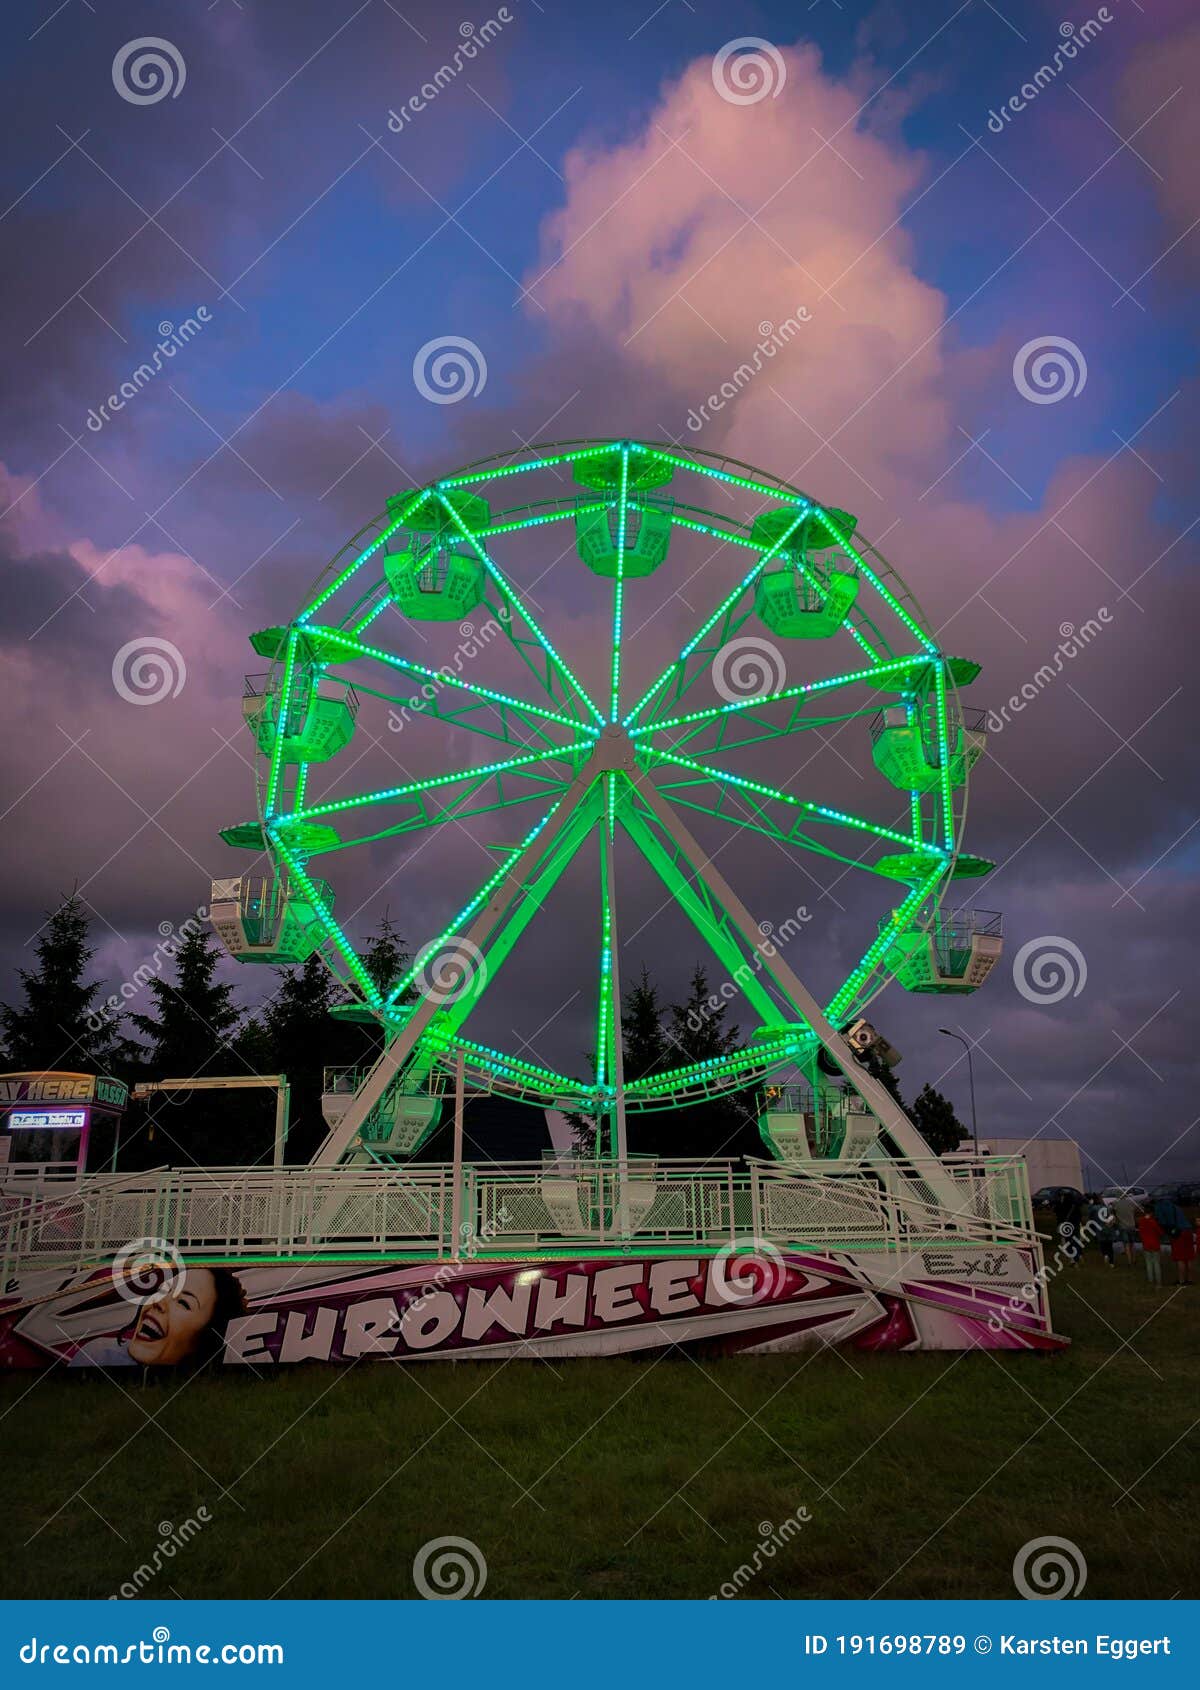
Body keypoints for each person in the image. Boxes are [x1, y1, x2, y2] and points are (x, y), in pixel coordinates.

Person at [1137, 1209, 1164, 1285]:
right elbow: (1160, 1233)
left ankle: (1150, 1281)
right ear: (1151, 1213)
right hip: (1155, 1245)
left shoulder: (1141, 1221)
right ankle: (1159, 1283)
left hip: (1146, 1245)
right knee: (1156, 1264)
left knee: (1148, 1263)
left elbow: (1140, 1233)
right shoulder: (1153, 1222)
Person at [1111, 1191, 1139, 1263]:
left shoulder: (1116, 1204)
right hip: (1132, 1226)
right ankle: (1134, 1259)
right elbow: (1136, 1210)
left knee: (1126, 1244)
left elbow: (1112, 1210)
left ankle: (1129, 1261)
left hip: (1123, 1227)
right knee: (1132, 1244)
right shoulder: (1131, 1202)